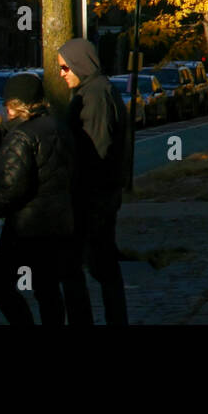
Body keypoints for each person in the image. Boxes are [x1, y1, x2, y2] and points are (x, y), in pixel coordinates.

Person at [0, 72, 73, 325]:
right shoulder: (59, 127)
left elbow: (12, 187)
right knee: (47, 289)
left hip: (27, 226)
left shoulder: (20, 136)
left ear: (15, 106)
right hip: (58, 223)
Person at [59, 37, 129, 325]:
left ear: (79, 64)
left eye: (65, 67)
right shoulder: (96, 91)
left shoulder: (94, 96)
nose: (61, 74)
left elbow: (96, 149)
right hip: (97, 195)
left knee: (80, 266)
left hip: (92, 197)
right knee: (98, 266)